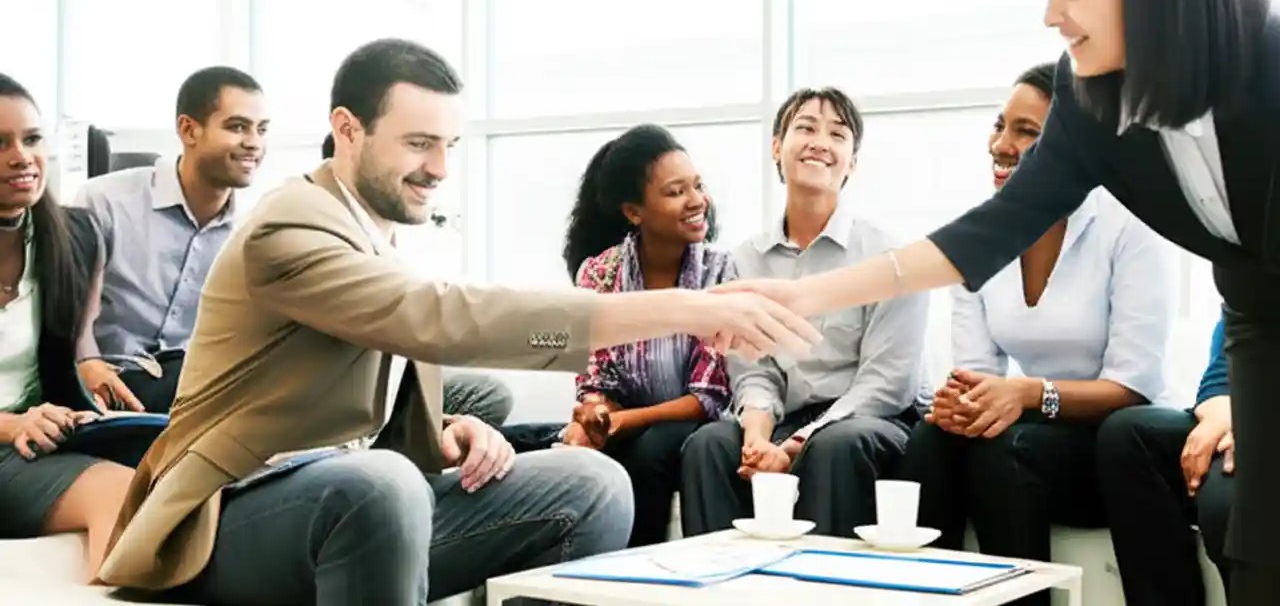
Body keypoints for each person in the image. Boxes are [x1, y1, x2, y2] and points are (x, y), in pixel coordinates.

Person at [95, 39, 820, 605]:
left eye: (450, 146)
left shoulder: (377, 231)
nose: (440, 167)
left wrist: (444, 436)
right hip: (228, 515)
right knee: (380, 484)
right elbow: (438, 320)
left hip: (348, 495)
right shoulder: (288, 228)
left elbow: (373, 369)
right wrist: (687, 309)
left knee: (592, 482)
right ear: (347, 130)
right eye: (418, 144)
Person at [716, 0, 1280, 601]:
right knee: (1258, 538)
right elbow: (981, 237)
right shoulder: (1089, 99)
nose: (1051, 14)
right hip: (1259, 322)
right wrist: (806, 292)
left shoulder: (1267, 58)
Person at [898, 64, 1174, 596]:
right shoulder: (981, 236)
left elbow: (1134, 385)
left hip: (1118, 442)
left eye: (1026, 131)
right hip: (1032, 427)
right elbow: (976, 374)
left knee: (1008, 452)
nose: (1002, 144)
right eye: (1000, 126)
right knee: (930, 441)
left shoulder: (1127, 225)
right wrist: (960, 403)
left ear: (1070, 144)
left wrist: (1028, 392)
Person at [682, 87, 929, 538]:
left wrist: (799, 443)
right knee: (709, 445)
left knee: (833, 447)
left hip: (871, 421)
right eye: (806, 128)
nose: (820, 141)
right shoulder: (747, 260)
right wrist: (758, 436)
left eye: (837, 134)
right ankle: (717, 599)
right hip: (787, 418)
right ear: (777, 147)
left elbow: (887, 384)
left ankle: (819, 604)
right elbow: (754, 373)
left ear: (852, 161)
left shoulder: (890, 255)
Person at [503, 124, 735, 547]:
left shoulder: (721, 273)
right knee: (513, 442)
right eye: (676, 191)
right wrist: (594, 415)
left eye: (698, 186)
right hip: (625, 422)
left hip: (690, 427)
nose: (697, 201)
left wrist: (621, 421)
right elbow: (595, 382)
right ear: (634, 212)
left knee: (649, 449)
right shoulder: (598, 273)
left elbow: (709, 398)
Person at [72, 67, 269, 413]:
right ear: (189, 130)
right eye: (237, 127)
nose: (254, 142)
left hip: (196, 390)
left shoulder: (256, 228)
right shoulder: (103, 202)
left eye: (261, 129)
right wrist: (85, 362)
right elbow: (65, 312)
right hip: (108, 382)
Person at [0, 73, 134, 579]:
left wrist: (89, 374)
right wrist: (13, 425)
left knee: (173, 477)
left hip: (39, 435)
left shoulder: (76, 235)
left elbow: (76, 346)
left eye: (32, 139)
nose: (21, 157)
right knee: (119, 493)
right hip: (10, 436)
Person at [321, 131, 513, 428]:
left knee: (489, 394)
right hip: (346, 392)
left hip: (391, 373)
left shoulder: (387, 228)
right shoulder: (323, 236)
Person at [1097, 311, 1233, 606]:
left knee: (1228, 504)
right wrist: (1224, 409)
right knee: (1130, 437)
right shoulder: (1260, 275)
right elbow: (1225, 362)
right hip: (1245, 414)